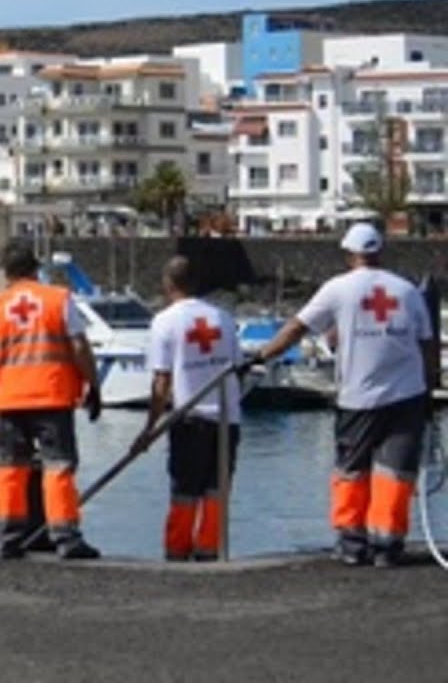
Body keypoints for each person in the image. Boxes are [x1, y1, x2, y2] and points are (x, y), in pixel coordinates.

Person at [254, 222, 436, 568]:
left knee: (351, 470)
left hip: (359, 395)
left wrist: (262, 355)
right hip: (407, 394)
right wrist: (429, 387)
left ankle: (352, 542)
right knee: (395, 472)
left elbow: (296, 327)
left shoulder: (338, 289)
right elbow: (426, 344)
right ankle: (388, 544)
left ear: (349, 253)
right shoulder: (407, 290)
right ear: (379, 251)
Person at [0, 242, 102, 560]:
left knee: (9, 469)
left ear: (6, 274)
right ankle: (65, 536)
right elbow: (79, 346)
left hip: (8, 399)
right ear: (36, 269)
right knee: (58, 466)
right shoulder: (58, 299)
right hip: (52, 395)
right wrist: (93, 385)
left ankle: (7, 535)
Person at [132, 256, 242, 562]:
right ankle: (209, 551)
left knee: (184, 491)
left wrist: (150, 427)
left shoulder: (165, 322)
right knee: (216, 490)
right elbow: (235, 367)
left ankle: (178, 551)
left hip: (189, 419)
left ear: (168, 284)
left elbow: (161, 381)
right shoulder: (224, 318)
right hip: (226, 419)